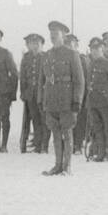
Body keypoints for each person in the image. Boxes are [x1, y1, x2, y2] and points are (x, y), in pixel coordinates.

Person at [39, 21, 85, 176]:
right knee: (56, 135)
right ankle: (57, 165)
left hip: (66, 100)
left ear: (63, 35)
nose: (52, 36)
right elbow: (43, 80)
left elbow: (79, 80)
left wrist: (77, 101)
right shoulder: (47, 55)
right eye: (51, 34)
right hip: (52, 100)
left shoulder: (72, 54)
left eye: (56, 33)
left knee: (67, 133)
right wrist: (42, 100)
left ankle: (67, 167)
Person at [85, 37, 108, 161]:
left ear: (102, 49)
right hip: (93, 102)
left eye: (97, 49)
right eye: (92, 49)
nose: (94, 51)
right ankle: (100, 153)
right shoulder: (90, 64)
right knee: (97, 129)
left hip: (107, 103)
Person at [18, 32, 46, 154]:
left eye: (37, 43)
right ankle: (38, 145)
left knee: (43, 120)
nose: (35, 46)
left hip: (43, 95)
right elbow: (23, 77)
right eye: (32, 43)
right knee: (35, 119)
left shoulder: (45, 57)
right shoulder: (26, 58)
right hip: (30, 94)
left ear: (41, 45)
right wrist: (23, 92)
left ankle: (42, 145)